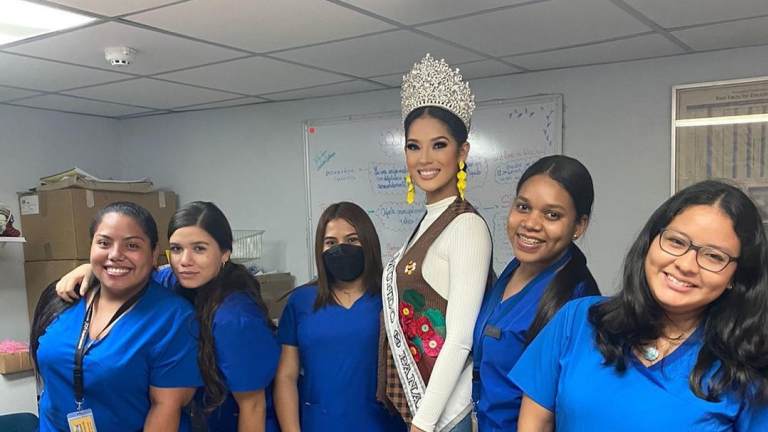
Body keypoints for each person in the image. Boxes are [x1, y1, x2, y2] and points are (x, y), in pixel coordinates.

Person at [511, 180, 768, 431]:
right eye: (676, 242)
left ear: (736, 276)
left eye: (714, 256)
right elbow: (535, 423)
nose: (686, 265)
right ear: (650, 242)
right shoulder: (577, 321)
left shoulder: (747, 370)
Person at [55, 201, 280, 432]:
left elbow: (253, 406)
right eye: (176, 249)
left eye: (199, 249)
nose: (184, 261)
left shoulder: (234, 319)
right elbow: (131, 271)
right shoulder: (172, 281)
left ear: (224, 253)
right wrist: (90, 268)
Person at [377, 53, 493, 432]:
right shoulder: (428, 221)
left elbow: (459, 339)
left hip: (444, 416)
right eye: (413, 146)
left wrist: (423, 424)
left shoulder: (466, 226)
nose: (424, 159)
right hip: (426, 409)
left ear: (462, 152)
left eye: (438, 145)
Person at [32, 201, 201, 431]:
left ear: (154, 254)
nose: (115, 255)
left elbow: (165, 409)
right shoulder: (66, 296)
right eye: (104, 243)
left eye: (132, 245)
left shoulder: (174, 319)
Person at [471, 155, 600, 431]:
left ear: (579, 225)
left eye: (552, 215)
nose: (530, 223)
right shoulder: (514, 269)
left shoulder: (577, 303)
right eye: (523, 207)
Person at [274, 202, 406, 432]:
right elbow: (286, 376)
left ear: (368, 242)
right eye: (331, 242)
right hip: (319, 423)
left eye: (352, 240)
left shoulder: (392, 297)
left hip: (381, 425)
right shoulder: (301, 301)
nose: (341, 248)